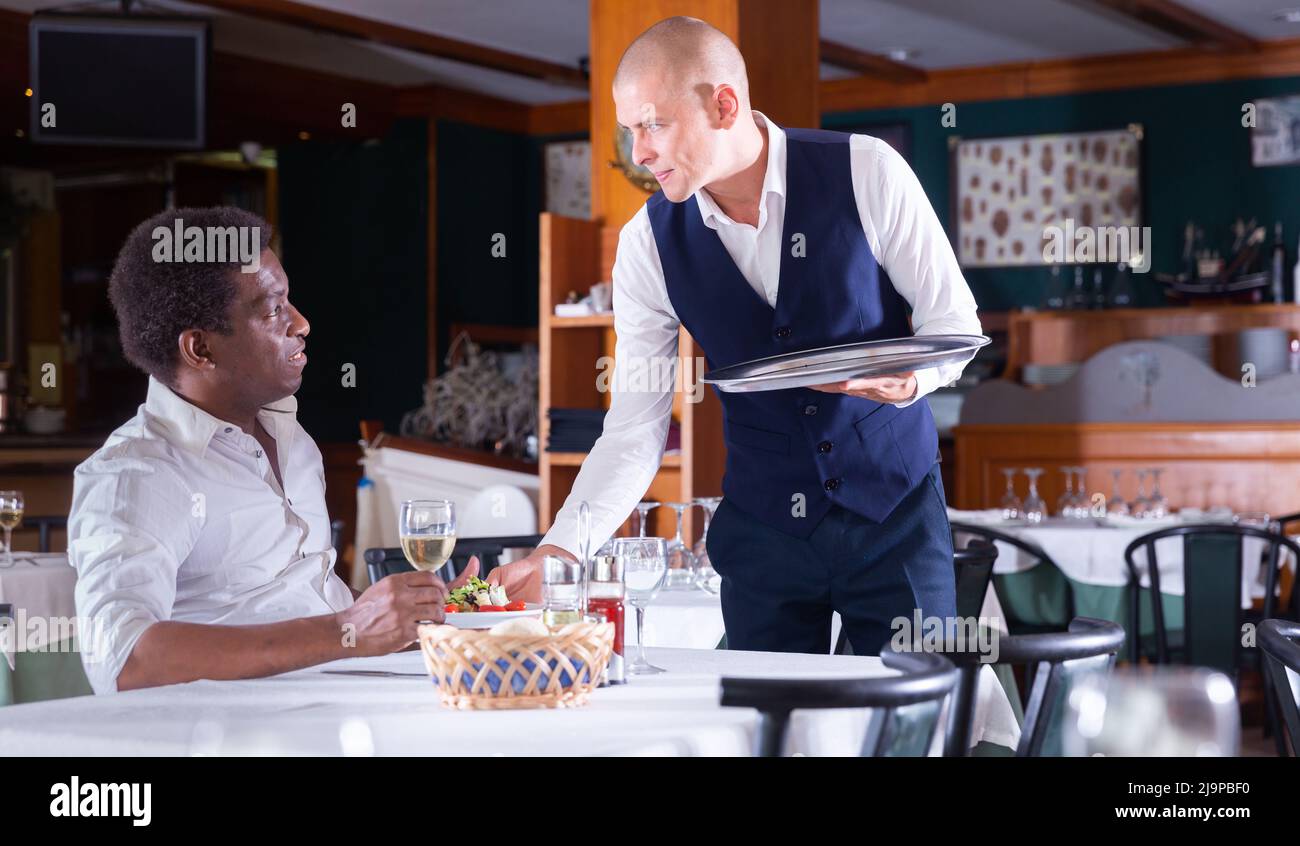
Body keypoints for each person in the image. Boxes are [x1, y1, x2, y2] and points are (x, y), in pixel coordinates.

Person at [490, 17, 981, 655]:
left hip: (894, 516)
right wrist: (560, 549)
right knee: (761, 731)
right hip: (765, 532)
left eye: (652, 125)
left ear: (723, 104)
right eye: (630, 131)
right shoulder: (647, 245)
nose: (638, 153)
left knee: (914, 726)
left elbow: (955, 326)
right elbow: (636, 428)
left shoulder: (866, 171)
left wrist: (913, 380)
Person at [69, 206, 477, 693]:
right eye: (273, 310)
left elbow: (303, 599)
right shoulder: (137, 474)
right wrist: (347, 633)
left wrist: (409, 617)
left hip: (340, 703)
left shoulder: (291, 438)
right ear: (200, 349)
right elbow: (124, 661)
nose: (301, 323)